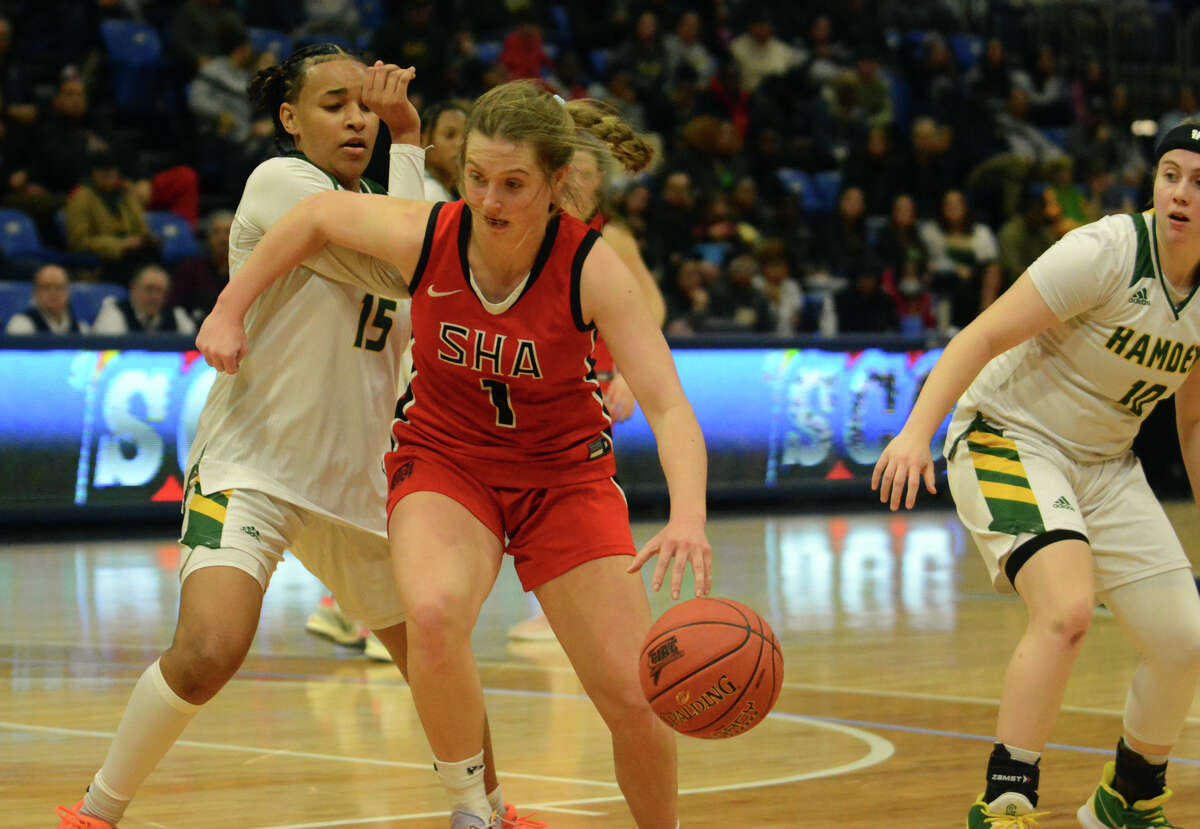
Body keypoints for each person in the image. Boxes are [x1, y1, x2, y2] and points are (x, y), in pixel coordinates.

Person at [195, 79, 712, 829]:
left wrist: (689, 515)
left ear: (555, 183)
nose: (490, 201)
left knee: (636, 698)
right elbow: (313, 216)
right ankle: (473, 809)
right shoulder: (432, 233)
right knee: (433, 612)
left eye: (513, 184)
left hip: (563, 482)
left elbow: (668, 404)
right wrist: (228, 306)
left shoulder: (592, 268)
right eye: (475, 178)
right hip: (447, 463)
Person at [54, 45, 532, 829]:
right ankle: (97, 810)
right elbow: (401, 264)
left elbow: (417, 264)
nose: (355, 119)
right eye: (333, 104)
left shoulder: (387, 198)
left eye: (364, 106)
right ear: (290, 119)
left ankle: (488, 811)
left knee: (437, 655)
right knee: (209, 648)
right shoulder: (282, 184)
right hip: (253, 466)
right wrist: (409, 148)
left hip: (359, 480)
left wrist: (408, 148)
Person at [871, 122, 1200, 829]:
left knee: (1185, 639)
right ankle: (1007, 796)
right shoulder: (1106, 251)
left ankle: (1129, 795)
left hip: (1105, 465)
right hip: (1007, 436)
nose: (1180, 193)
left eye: (1199, 182)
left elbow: (1194, 421)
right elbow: (983, 333)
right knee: (1065, 608)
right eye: (1171, 173)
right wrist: (913, 433)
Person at [507, 125, 668, 641]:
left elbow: (654, 305)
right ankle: (557, 611)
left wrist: (627, 373)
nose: (573, 179)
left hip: (590, 378)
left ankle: (576, 614)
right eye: (565, 170)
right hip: (535, 375)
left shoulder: (612, 236)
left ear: (599, 178)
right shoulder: (528, 228)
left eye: (582, 170)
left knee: (577, 496)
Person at [91, 264, 197, 335]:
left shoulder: (177, 315)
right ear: (133, 289)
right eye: (149, 289)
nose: (155, 296)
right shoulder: (114, 313)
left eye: (159, 290)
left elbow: (193, 346)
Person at [3, 263, 86, 334]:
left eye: (59, 287)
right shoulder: (21, 325)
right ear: (35, 292)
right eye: (46, 287)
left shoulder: (81, 328)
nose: (53, 293)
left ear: (68, 292)